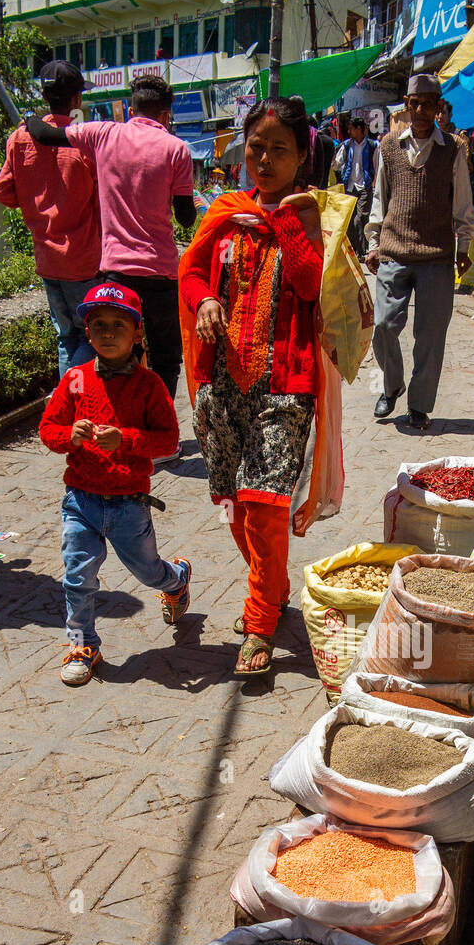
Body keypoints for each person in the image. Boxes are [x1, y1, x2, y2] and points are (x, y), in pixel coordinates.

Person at [178, 97, 324, 677]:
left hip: (285, 386)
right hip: (225, 384)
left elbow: (312, 286)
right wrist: (206, 299)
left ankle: (260, 623)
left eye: (278, 150)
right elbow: (189, 270)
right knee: (238, 507)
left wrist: (285, 218)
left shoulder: (312, 214)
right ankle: (276, 585)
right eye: (256, 147)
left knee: (265, 505)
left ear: (301, 156)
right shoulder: (224, 212)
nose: (263, 159)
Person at [25, 72, 195, 463]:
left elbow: (46, 135)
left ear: (130, 109)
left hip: (115, 272)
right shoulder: (176, 149)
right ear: (166, 114)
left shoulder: (103, 133)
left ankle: (114, 431)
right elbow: (185, 217)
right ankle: (159, 441)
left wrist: (29, 119)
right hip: (161, 271)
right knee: (166, 356)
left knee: (118, 353)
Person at [39, 282, 190, 687]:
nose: (107, 333)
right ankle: (83, 643)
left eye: (118, 324)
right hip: (81, 501)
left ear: (137, 332)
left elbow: (169, 440)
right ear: (86, 332)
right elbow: (48, 430)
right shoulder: (74, 380)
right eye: (98, 324)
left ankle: (176, 580)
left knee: (149, 573)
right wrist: (70, 433)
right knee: (77, 576)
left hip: (128, 505)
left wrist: (126, 439)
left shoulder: (149, 385)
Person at [364, 74, 474, 431]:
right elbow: (380, 198)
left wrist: (464, 246)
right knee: (383, 326)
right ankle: (392, 384)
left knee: (430, 335)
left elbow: (462, 202)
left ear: (439, 106)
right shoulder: (389, 146)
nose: (424, 109)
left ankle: (419, 405)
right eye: (417, 102)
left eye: (431, 103)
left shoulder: (454, 149)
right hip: (395, 251)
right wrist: (373, 242)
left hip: (438, 256)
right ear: (407, 104)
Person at [0, 61, 102, 378]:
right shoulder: (84, 141)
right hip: (83, 259)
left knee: (65, 336)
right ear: (77, 99)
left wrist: (33, 203)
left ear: (44, 94)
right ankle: (68, 397)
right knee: (90, 337)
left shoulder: (20, 139)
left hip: (46, 257)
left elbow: (2, 191)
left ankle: (66, 401)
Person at [334, 117, 376, 258]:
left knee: (360, 218)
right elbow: (337, 164)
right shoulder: (347, 145)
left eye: (351, 128)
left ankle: (362, 250)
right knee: (351, 219)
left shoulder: (372, 145)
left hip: (365, 185)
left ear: (358, 129)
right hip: (350, 186)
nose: (349, 131)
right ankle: (353, 251)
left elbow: (377, 165)